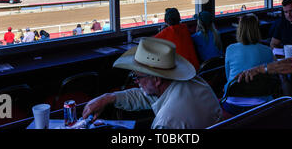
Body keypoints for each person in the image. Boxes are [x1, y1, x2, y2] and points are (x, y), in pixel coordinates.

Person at [82, 37, 222, 129]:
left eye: (137, 77)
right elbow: (145, 96)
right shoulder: (193, 82)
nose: (136, 82)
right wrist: (108, 97)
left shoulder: (165, 123)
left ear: (157, 79)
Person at [223, 14, 275, 115]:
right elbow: (270, 77)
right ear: (257, 29)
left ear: (239, 29)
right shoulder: (267, 50)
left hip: (232, 104)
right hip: (261, 103)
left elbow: (228, 77)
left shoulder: (230, 49)